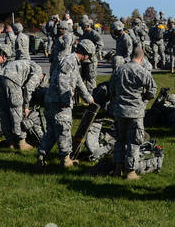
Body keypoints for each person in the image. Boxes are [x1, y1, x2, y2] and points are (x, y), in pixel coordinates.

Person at [37, 39, 95, 168]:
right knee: (64, 129)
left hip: (52, 100)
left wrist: (89, 98)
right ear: (85, 53)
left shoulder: (73, 62)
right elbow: (62, 80)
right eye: (89, 55)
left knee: (52, 131)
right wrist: (65, 101)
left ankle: (41, 156)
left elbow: (79, 82)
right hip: (59, 102)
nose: (89, 58)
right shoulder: (69, 61)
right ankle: (65, 159)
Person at [109, 47, 158, 179]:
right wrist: (143, 99)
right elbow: (152, 90)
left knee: (120, 139)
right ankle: (130, 171)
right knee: (134, 141)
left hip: (119, 110)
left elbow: (111, 89)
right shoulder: (142, 71)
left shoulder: (119, 70)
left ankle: (117, 168)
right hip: (135, 111)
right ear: (142, 58)